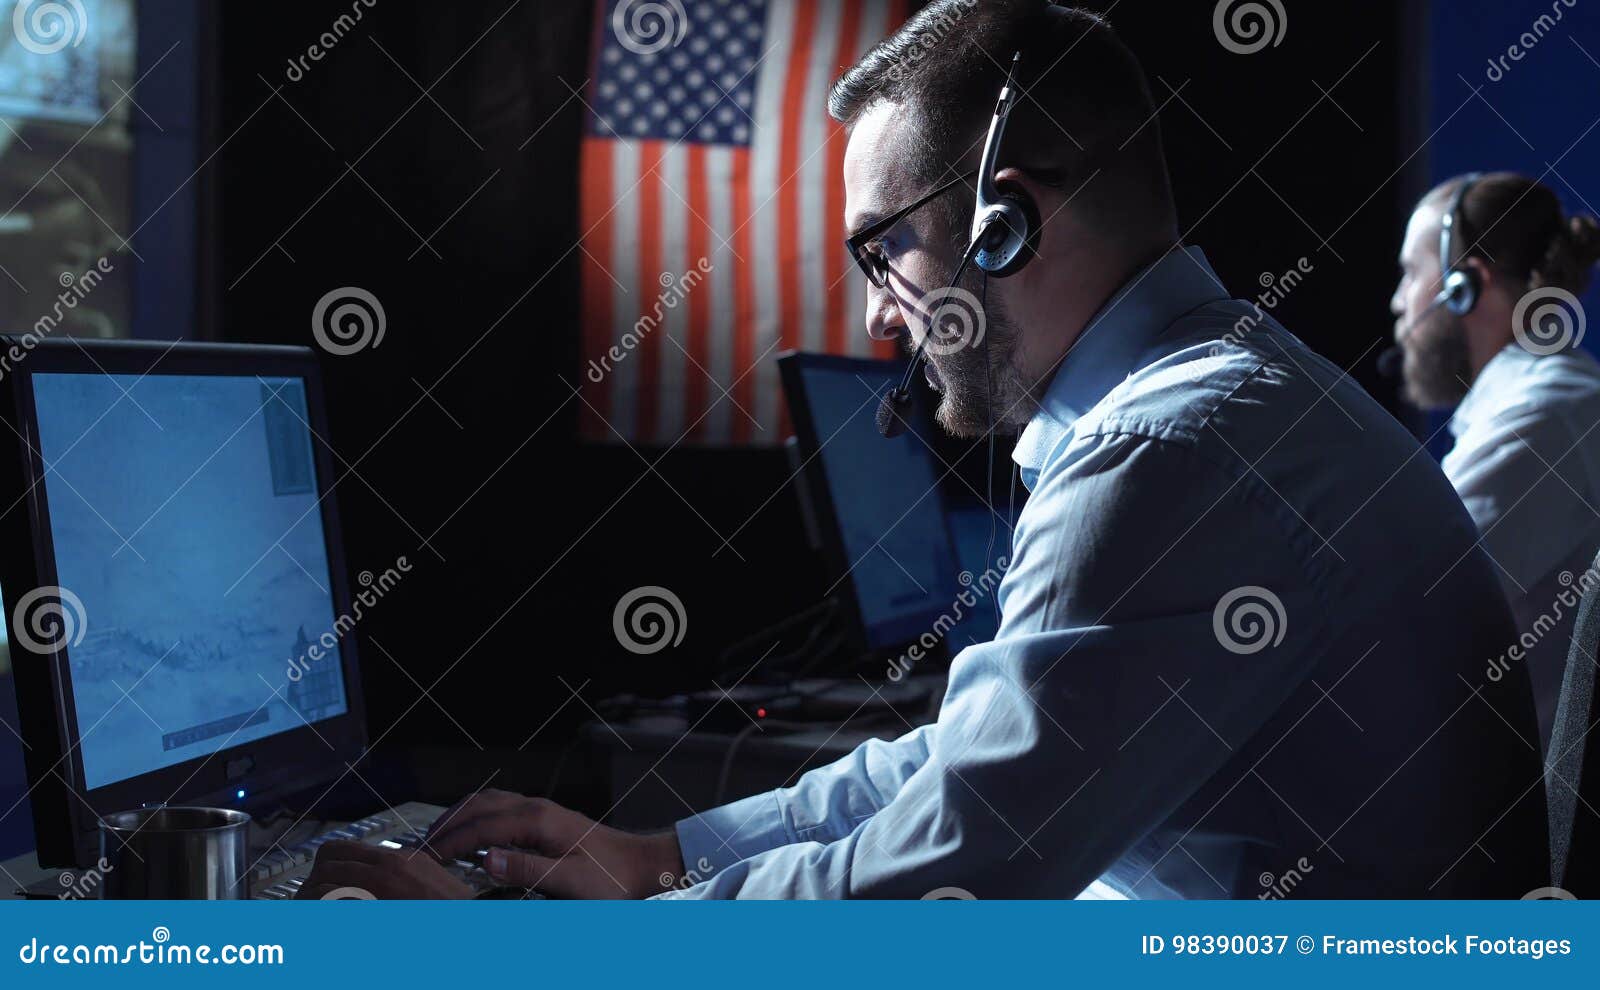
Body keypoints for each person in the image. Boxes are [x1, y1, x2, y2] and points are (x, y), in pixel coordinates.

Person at [301, 0, 1547, 899]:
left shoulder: (1168, 455)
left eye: (879, 248)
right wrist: (665, 854)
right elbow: (973, 763)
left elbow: (940, 895)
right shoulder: (1220, 401)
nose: (873, 315)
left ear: (1009, 225)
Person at [1390, 172, 1600, 749]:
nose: (1398, 303)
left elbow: (1396, 618)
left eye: (1411, 275)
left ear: (1467, 285)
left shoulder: (1539, 418)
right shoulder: (1547, 402)